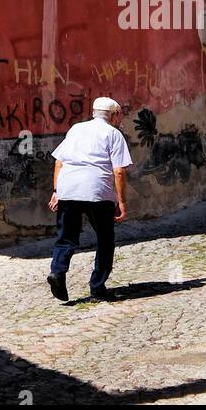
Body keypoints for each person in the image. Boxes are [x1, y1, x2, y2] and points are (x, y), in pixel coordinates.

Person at [46, 96, 132, 302]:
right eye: (118, 115)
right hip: (97, 191)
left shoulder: (76, 129)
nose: (119, 119)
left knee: (66, 236)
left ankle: (57, 272)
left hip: (69, 187)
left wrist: (57, 190)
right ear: (112, 115)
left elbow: (59, 162)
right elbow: (119, 171)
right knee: (105, 238)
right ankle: (97, 286)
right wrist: (122, 201)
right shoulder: (114, 134)